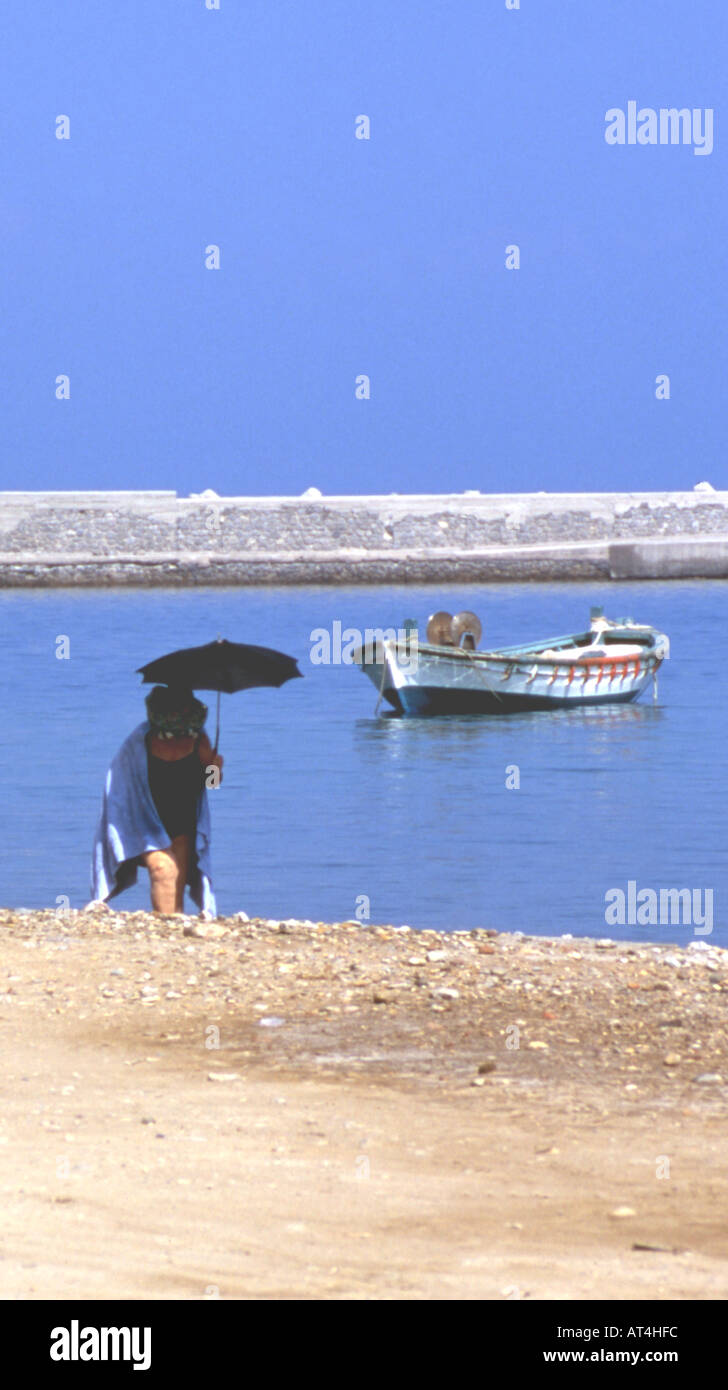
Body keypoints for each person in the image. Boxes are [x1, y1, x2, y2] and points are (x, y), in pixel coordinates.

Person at [90, 685, 224, 916]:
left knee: (177, 888)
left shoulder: (199, 740)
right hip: (142, 821)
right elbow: (120, 786)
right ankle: (166, 931)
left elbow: (212, 785)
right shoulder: (140, 742)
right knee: (163, 870)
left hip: (182, 823)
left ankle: (172, 939)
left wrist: (214, 766)